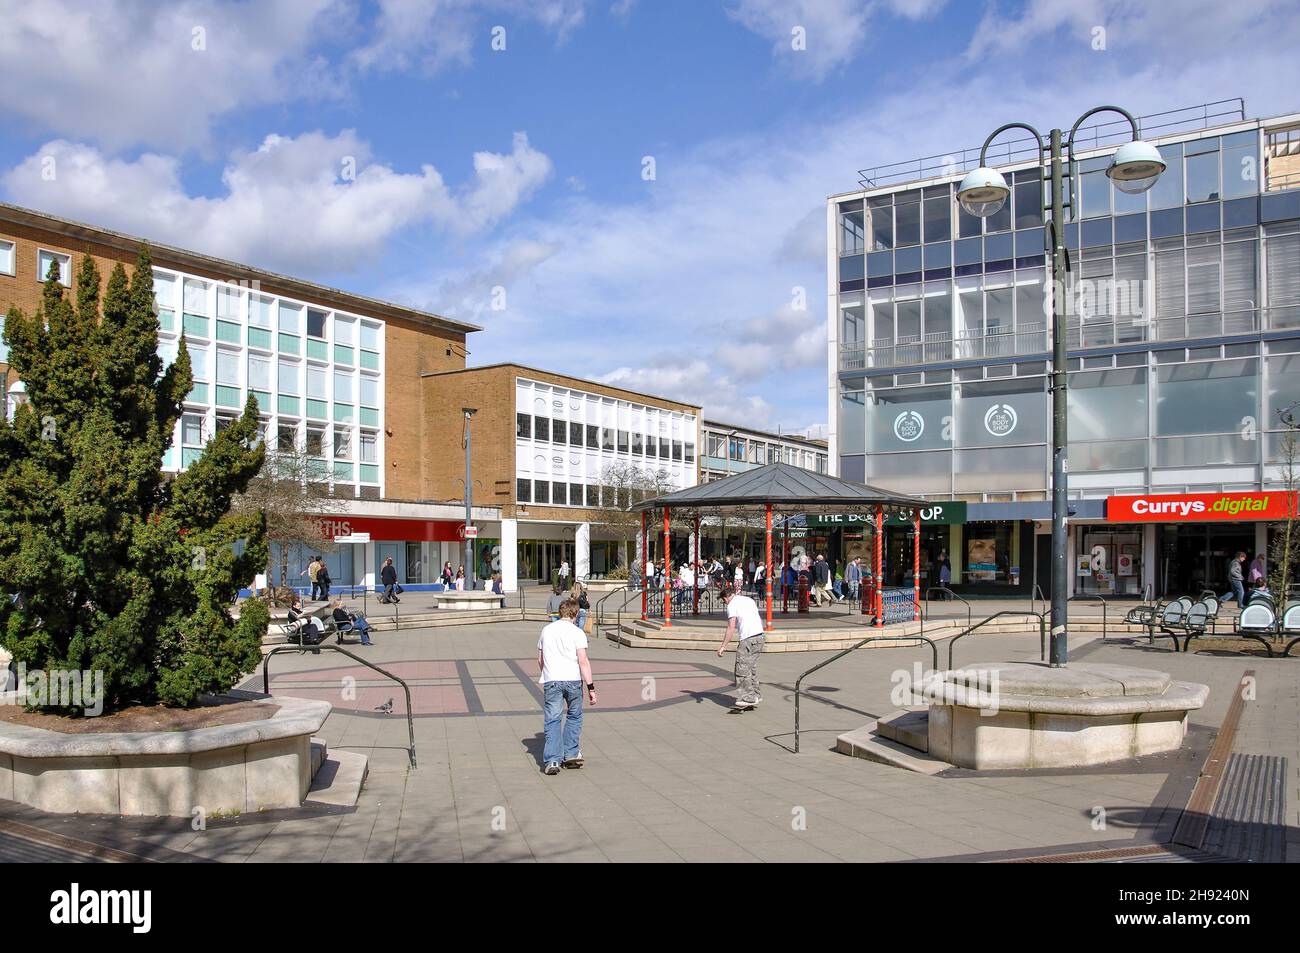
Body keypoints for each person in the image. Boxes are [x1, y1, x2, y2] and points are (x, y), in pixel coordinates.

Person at [537, 598, 597, 775]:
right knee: (574, 716)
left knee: (553, 719)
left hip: (552, 680)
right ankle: (571, 753)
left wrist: (547, 673)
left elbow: (540, 659)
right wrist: (591, 688)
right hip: (573, 680)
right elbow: (583, 661)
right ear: (575, 613)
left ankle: (552, 760)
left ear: (560, 612)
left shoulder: (546, 630)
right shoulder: (577, 633)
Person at [717, 585, 765, 709]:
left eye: (724, 601)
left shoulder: (732, 605)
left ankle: (748, 697)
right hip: (760, 636)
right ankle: (756, 694)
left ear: (726, 597)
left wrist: (723, 646)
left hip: (748, 638)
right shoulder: (748, 600)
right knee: (751, 668)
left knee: (741, 669)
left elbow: (731, 627)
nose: (725, 603)